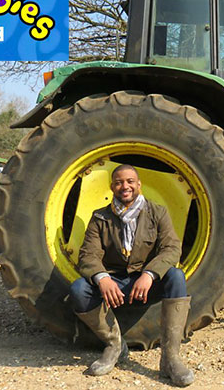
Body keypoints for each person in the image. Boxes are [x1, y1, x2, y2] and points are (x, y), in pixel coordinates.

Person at [69, 164, 195, 387]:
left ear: (138, 185)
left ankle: (170, 358)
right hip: (115, 282)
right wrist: (102, 278)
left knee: (175, 276)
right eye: (118, 182)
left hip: (146, 282)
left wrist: (149, 274)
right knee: (79, 289)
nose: (124, 186)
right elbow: (88, 255)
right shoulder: (100, 218)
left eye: (129, 181)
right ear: (112, 187)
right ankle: (114, 346)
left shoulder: (158, 212)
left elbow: (171, 249)